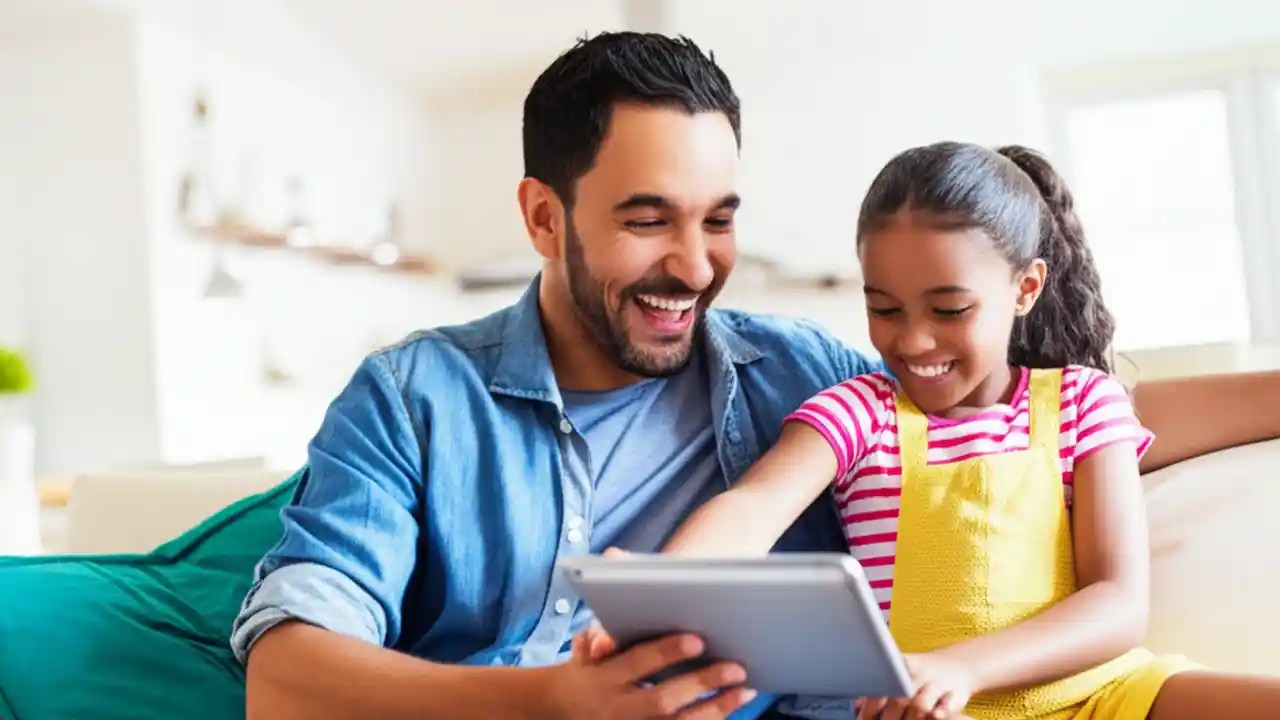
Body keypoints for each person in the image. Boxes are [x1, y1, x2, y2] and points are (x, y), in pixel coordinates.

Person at [232, 31, 1280, 720]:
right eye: (647, 220)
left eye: (718, 220)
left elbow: (1054, 415)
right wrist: (549, 701)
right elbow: (283, 678)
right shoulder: (412, 400)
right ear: (544, 219)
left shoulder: (801, 372)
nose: (693, 267)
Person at [657, 142, 1280, 720]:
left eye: (950, 310)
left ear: (1025, 288)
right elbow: (752, 506)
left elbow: (1118, 602)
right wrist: (659, 591)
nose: (913, 340)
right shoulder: (858, 413)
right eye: (884, 308)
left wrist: (964, 666)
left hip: (1103, 695)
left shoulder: (1082, 403)